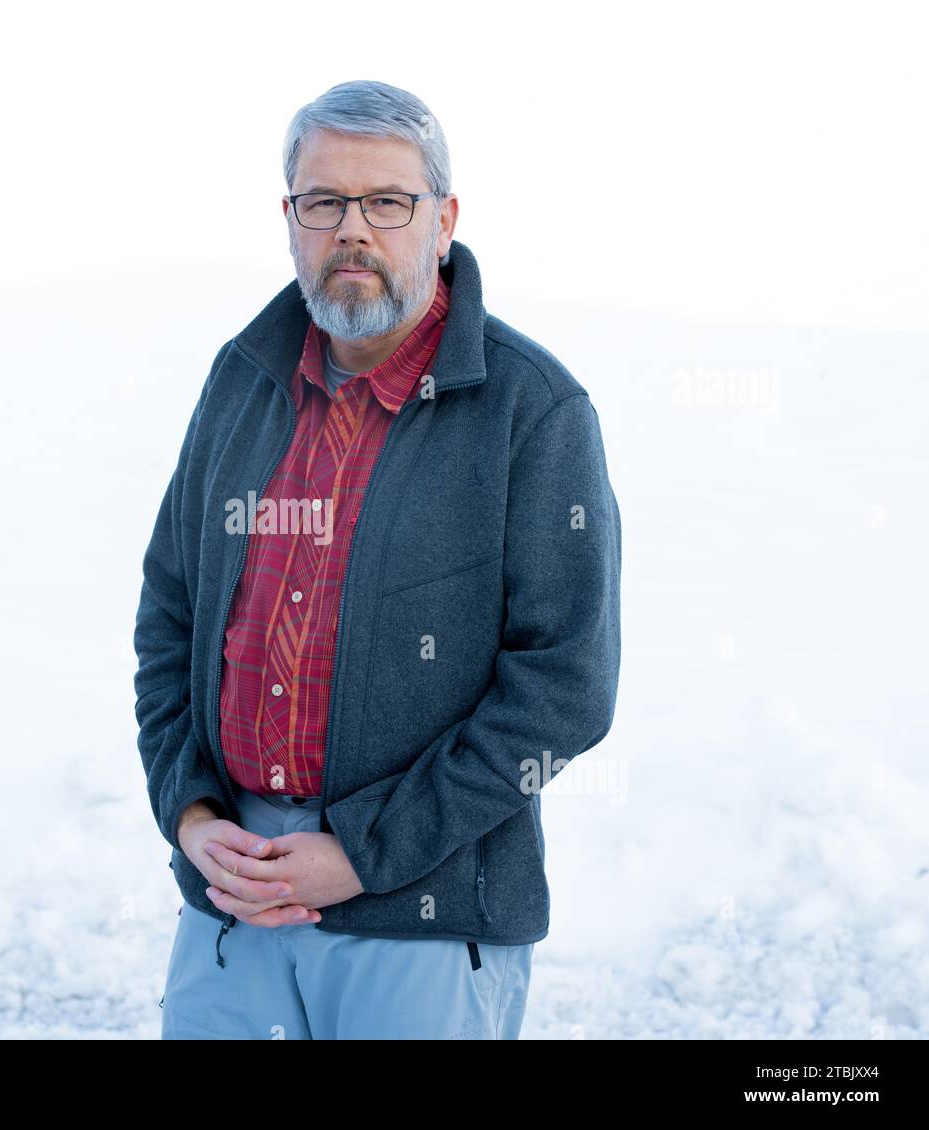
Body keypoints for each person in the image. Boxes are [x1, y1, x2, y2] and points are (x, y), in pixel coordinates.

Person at [134, 79, 622, 1039]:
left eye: (386, 202)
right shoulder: (242, 381)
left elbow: (565, 691)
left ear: (442, 221)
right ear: (290, 220)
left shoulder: (533, 412)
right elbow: (169, 618)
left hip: (423, 917)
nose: (351, 228)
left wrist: (359, 854)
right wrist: (191, 816)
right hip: (229, 903)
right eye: (324, 202)